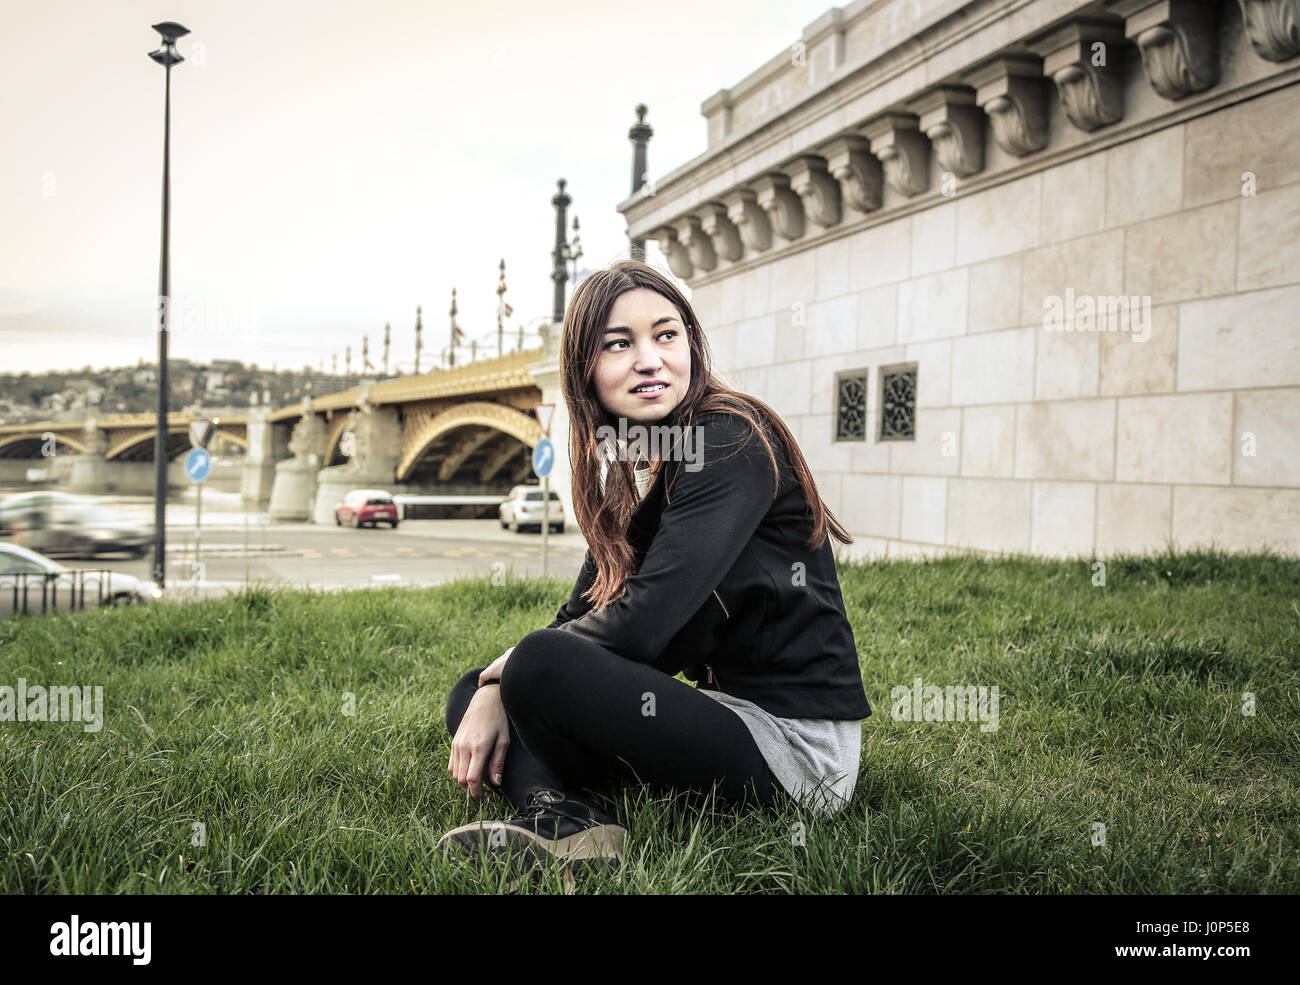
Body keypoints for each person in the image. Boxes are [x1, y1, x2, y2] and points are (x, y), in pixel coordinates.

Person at [438, 258, 871, 873]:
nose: (649, 359)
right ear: (584, 367)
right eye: (620, 343)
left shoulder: (729, 439)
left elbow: (642, 627)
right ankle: (559, 818)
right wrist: (491, 685)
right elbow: (580, 615)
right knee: (478, 686)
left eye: (666, 335)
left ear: (690, 345)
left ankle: (556, 807)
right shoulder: (640, 463)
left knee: (530, 666)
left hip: (794, 754)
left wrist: (508, 676)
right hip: (719, 720)